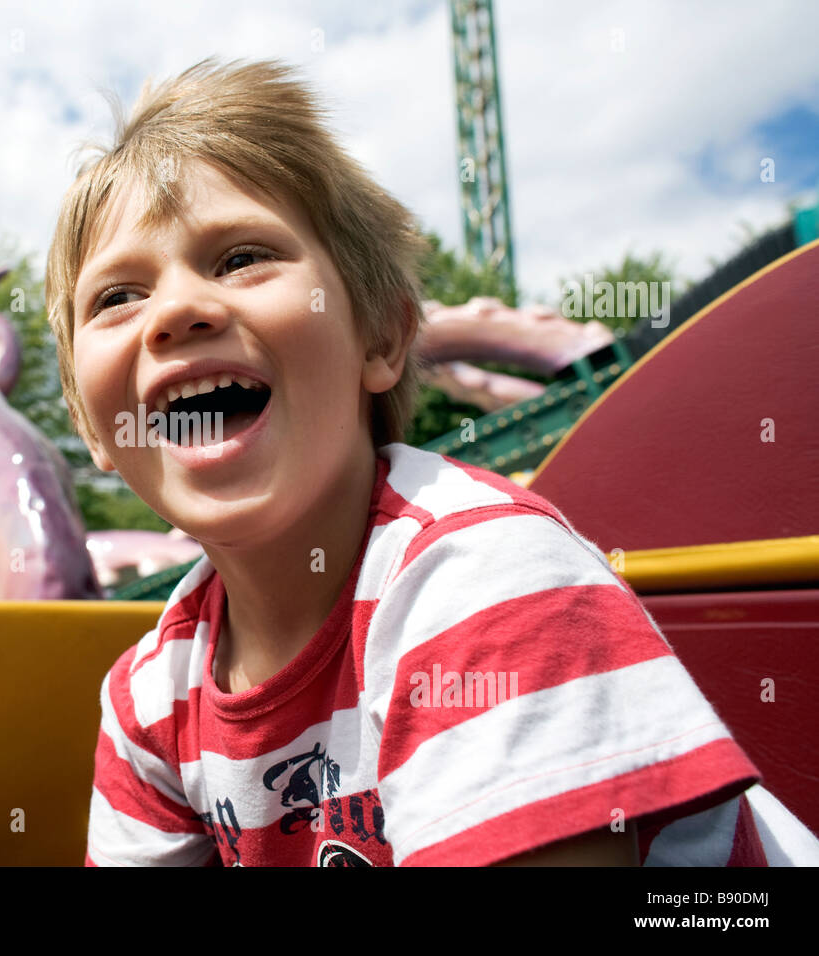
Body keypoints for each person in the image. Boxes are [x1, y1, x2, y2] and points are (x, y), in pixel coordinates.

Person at [42, 57, 813, 866]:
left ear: (378, 337)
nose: (176, 311)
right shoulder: (150, 695)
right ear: (92, 429)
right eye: (116, 298)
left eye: (240, 259)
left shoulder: (483, 576)